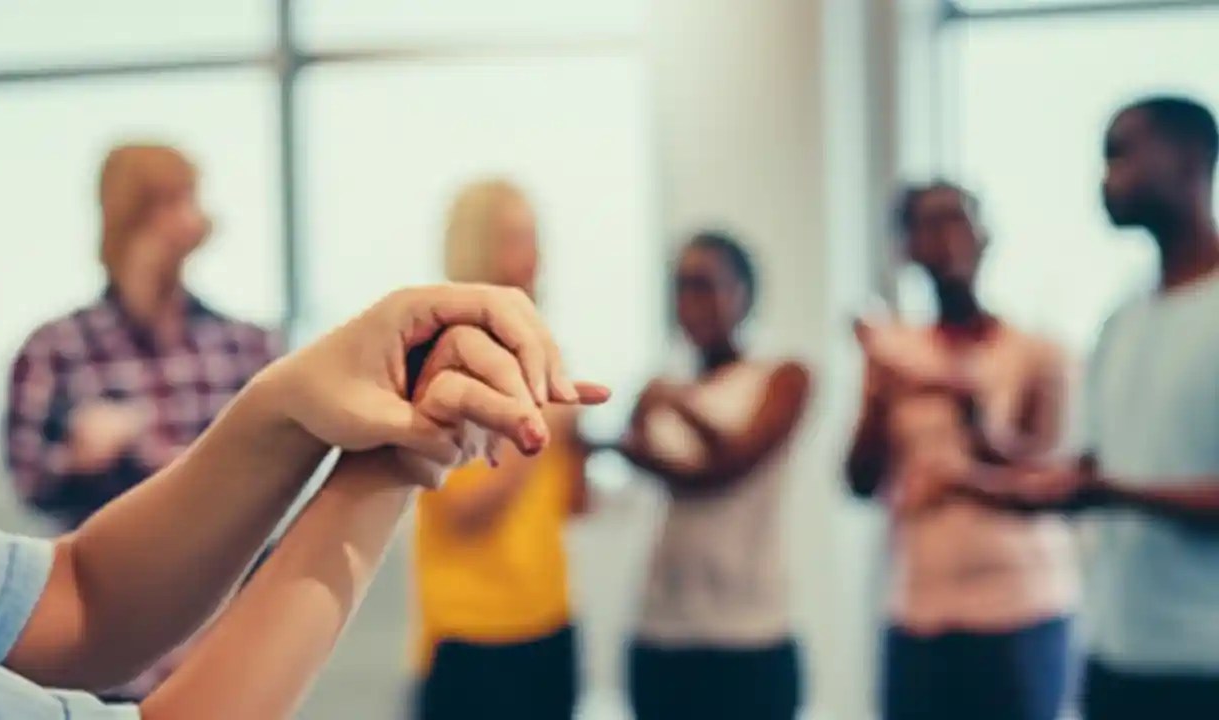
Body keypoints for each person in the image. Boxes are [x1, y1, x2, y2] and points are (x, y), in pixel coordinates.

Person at [0, 282, 609, 719]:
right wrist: (394, 454)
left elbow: (79, 598)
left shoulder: (233, 338)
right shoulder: (59, 346)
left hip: (540, 617)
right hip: (470, 630)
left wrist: (286, 405)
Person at [964, 96, 1219, 720]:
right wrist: (995, 468)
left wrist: (1112, 492)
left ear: (1190, 160)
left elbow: (1110, 484)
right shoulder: (1122, 318)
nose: (1105, 177)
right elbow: (1090, 466)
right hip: (1115, 656)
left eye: (1120, 153)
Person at [846, 182, 1077, 720]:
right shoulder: (894, 354)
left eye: (957, 220)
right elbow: (860, 480)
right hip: (919, 607)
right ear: (905, 247)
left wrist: (963, 407)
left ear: (985, 235)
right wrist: (880, 391)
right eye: (927, 224)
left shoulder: (1036, 351)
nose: (944, 238)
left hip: (1020, 606)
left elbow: (1041, 474)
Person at [6, 144, 280, 532]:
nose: (178, 224)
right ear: (121, 219)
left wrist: (185, 467)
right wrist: (78, 458)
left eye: (183, 201)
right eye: (157, 207)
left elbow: (283, 477)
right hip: (105, 580)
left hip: (233, 579)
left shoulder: (248, 347)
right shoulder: (54, 350)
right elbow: (28, 479)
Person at [413, 180, 589, 720]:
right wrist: (542, 426)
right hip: (472, 634)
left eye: (534, 238)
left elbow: (576, 505)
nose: (533, 257)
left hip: (549, 621)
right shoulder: (444, 360)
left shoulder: (542, 350)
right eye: (515, 239)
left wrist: (579, 441)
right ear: (476, 247)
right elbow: (464, 508)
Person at [619, 231, 811, 720]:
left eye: (705, 285)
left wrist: (679, 405)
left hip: (750, 634)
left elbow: (731, 466)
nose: (691, 302)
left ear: (743, 292)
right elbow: (635, 454)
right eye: (681, 287)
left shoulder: (782, 378)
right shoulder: (663, 387)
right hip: (663, 631)